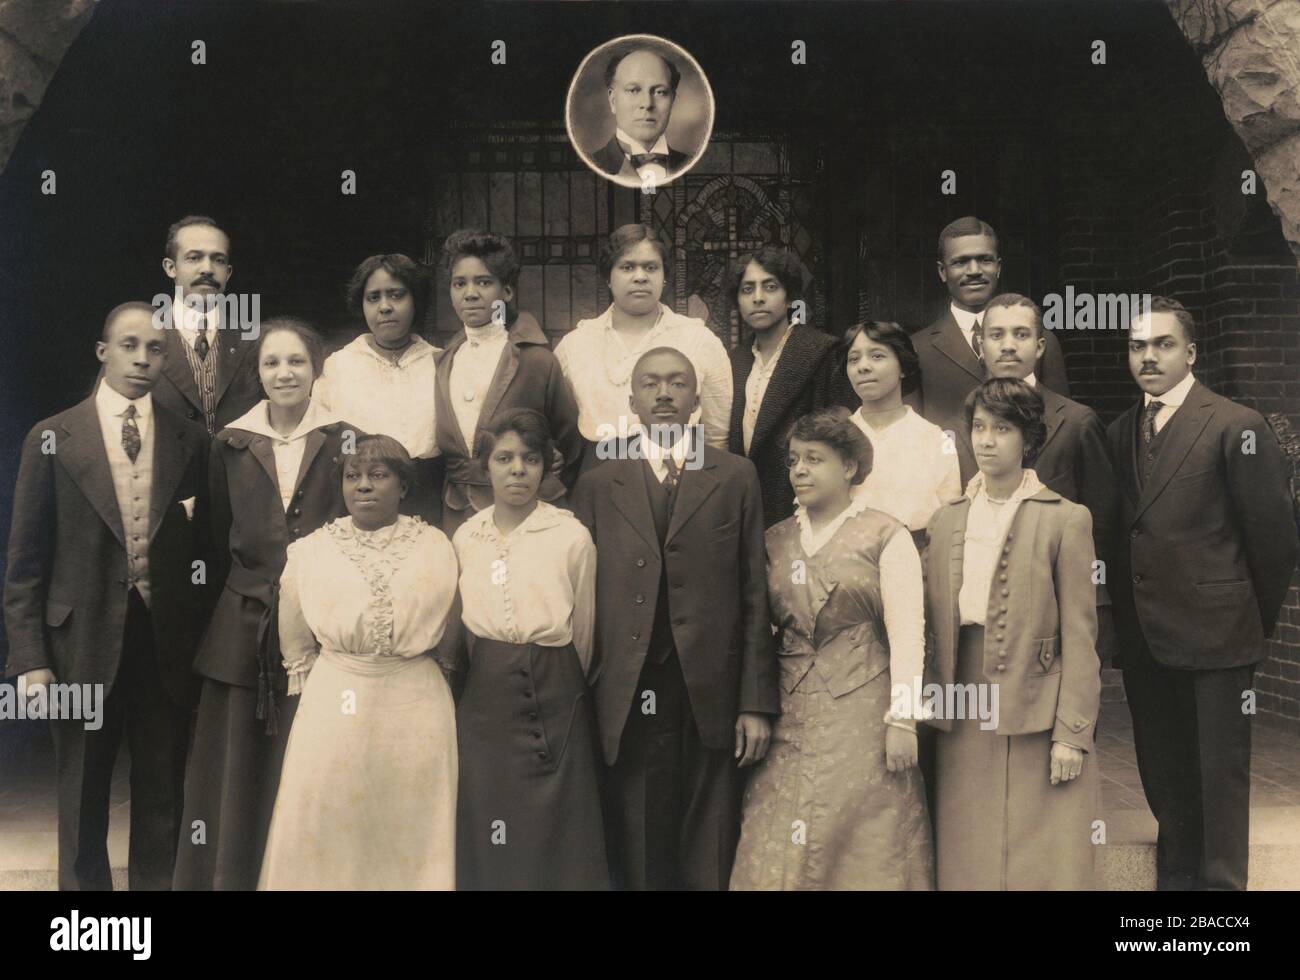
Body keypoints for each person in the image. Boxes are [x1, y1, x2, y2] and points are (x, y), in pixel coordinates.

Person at [4, 302, 209, 889]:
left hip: (165, 644)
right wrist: (31, 659)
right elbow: (24, 563)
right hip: (78, 645)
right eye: (129, 346)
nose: (142, 359)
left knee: (162, 788)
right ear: (103, 352)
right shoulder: (51, 437)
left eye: (154, 349)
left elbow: (204, 559)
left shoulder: (190, 440)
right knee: (81, 791)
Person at [570, 347, 779, 891]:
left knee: (710, 831)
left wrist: (755, 702)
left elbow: (754, 591)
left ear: (695, 398)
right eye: (651, 383)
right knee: (638, 828)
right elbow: (579, 593)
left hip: (710, 683)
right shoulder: (599, 480)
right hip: (629, 679)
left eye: (678, 383)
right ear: (632, 399)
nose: (664, 393)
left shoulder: (734, 476)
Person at [1107, 297, 1298, 890]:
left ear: (1190, 352)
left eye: (1162, 344)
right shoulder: (1119, 432)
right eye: (1138, 346)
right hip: (1147, 638)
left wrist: (1242, 620)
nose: (1149, 357)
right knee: (1166, 780)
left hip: (1219, 636)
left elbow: (1273, 541)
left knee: (1219, 782)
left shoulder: (1235, 425)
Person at [174, 317, 354, 890]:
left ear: (316, 368)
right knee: (237, 766)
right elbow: (212, 543)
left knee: (312, 758)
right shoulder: (228, 443)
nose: (284, 373)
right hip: (242, 621)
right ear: (258, 372)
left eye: (296, 361)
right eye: (272, 363)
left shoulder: (345, 438)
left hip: (321, 627)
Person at [731, 408, 933, 890]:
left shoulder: (887, 533)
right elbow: (758, 630)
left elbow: (908, 630)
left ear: (848, 468)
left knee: (864, 827)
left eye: (814, 459)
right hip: (789, 708)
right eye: (794, 460)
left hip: (864, 708)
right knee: (778, 820)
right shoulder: (774, 540)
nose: (799, 469)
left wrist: (903, 719)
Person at [258, 436, 460, 890]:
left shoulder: (435, 545)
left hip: (415, 701)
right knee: (329, 815)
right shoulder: (312, 551)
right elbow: (295, 636)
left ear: (404, 486)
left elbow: (451, 625)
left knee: (407, 820)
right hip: (336, 695)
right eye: (353, 476)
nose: (364, 486)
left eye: (379, 475)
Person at [924, 378, 1100, 890]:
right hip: (962, 696)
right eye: (978, 427)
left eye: (1002, 428)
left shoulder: (1066, 519)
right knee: (969, 839)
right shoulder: (946, 518)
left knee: (1043, 846)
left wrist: (1072, 732)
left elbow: (1082, 635)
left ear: (1028, 438)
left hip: (1038, 698)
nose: (986, 440)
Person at [451, 408, 607, 890]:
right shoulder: (465, 537)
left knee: (558, 816)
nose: (517, 469)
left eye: (530, 459)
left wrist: (561, 678)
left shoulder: (571, 536)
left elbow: (584, 629)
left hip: (558, 686)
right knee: (489, 807)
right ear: (485, 466)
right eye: (504, 458)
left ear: (546, 467)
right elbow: (464, 629)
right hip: (487, 693)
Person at [979, 293, 1118, 660]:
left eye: (1021, 335)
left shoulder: (1076, 421)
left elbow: (1103, 522)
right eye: (997, 335)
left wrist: (1093, 600)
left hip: (1060, 600)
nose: (1008, 345)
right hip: (983, 601)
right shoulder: (961, 426)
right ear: (981, 345)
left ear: (1040, 346)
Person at [434, 229, 582, 538]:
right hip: (459, 513)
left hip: (526, 511)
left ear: (508, 292)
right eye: (459, 283)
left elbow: (568, 441)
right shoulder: (443, 361)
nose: (470, 293)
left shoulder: (537, 360)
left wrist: (548, 458)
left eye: (484, 282)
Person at [557, 224, 732, 470]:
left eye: (651, 267)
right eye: (627, 267)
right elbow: (559, 433)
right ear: (608, 277)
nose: (640, 276)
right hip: (597, 477)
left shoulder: (698, 340)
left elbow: (717, 437)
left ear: (665, 277)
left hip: (679, 475)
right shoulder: (575, 345)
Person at [910, 216, 1070, 485]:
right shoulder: (918, 348)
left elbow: (1061, 426)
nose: (974, 270)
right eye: (960, 262)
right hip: (952, 493)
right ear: (942, 271)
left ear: (998, 267)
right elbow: (915, 439)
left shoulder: (1041, 340)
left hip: (1030, 492)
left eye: (984, 260)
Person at [725, 246, 856, 527]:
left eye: (770, 287)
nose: (758, 298)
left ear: (788, 297)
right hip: (744, 509)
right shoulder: (733, 361)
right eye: (747, 290)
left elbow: (841, 437)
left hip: (803, 505)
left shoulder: (821, 353)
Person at [315, 253, 444, 525]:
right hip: (360, 500)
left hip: (428, 496)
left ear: (415, 300)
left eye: (396, 295)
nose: (384, 307)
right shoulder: (338, 367)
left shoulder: (440, 362)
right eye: (373, 297)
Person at [842, 321, 960, 549]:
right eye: (853, 359)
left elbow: (950, 520)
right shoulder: (835, 438)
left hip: (918, 561)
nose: (863, 367)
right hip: (845, 562)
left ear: (903, 367)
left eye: (877, 356)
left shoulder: (936, 439)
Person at [152, 215, 262, 434]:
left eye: (218, 260)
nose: (208, 269)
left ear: (228, 273)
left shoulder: (254, 341)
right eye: (194, 258)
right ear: (170, 268)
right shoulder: (141, 338)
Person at [588, 47, 692, 185]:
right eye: (633, 90)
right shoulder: (587, 168)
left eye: (660, 92)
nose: (647, 104)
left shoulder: (696, 166)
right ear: (613, 101)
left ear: (672, 100)